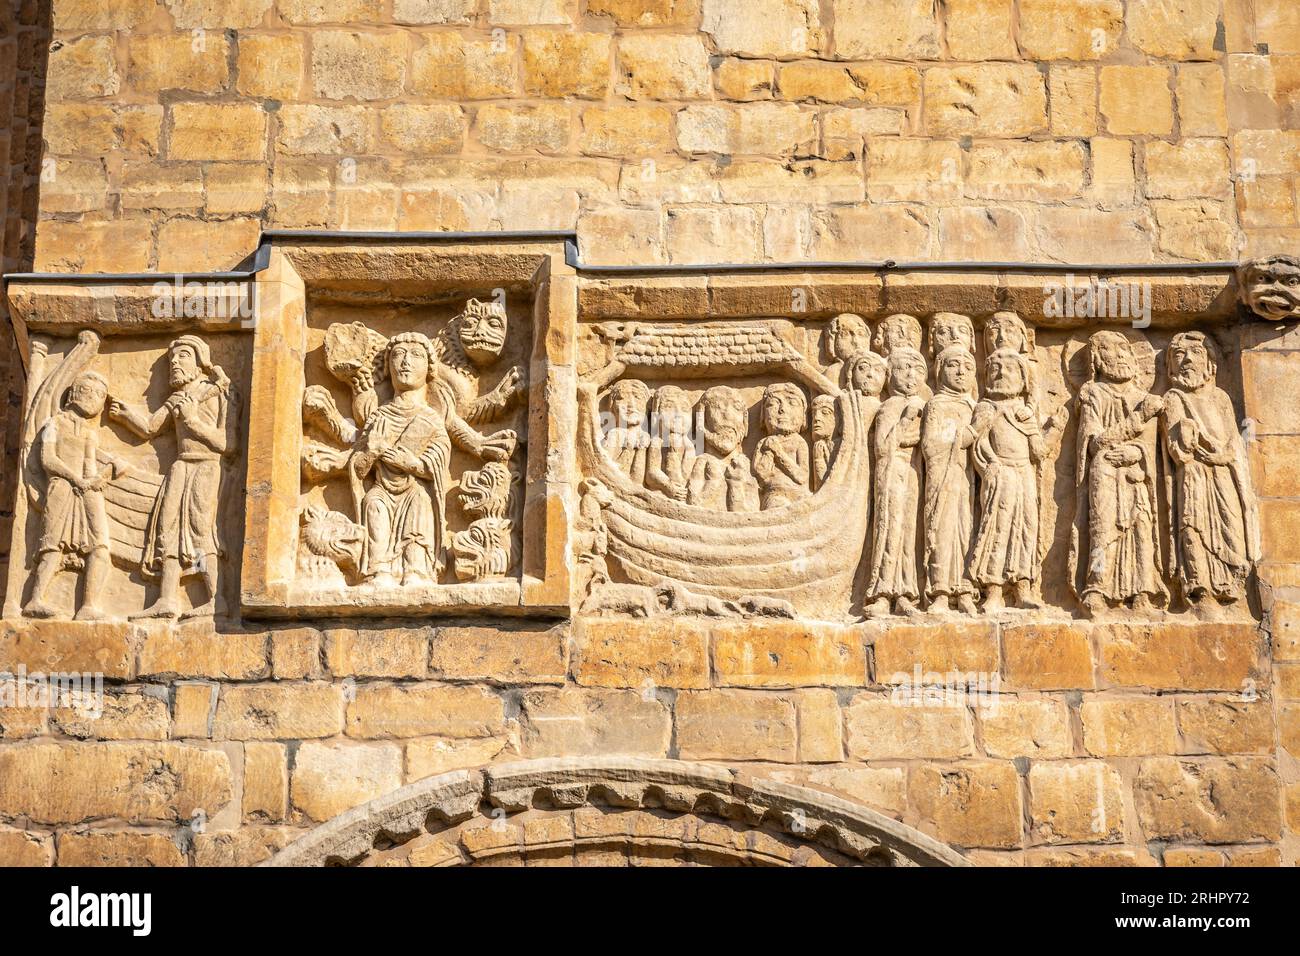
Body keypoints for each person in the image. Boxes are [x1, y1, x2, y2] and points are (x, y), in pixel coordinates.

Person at [350, 332, 515, 588]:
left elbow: (438, 459)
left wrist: (411, 463)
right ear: (388, 366)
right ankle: (378, 570)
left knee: (420, 501)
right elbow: (357, 469)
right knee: (373, 502)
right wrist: (371, 452)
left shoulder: (430, 417)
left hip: (415, 489)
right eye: (397, 355)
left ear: (429, 368)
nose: (405, 362)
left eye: (415, 355)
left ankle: (416, 568)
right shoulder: (379, 417)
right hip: (382, 489)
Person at [110, 336, 232, 619]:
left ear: (199, 362)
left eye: (183, 356)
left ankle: (217, 599)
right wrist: (126, 415)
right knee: (168, 529)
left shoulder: (219, 392)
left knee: (200, 531)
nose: (174, 363)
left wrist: (192, 421)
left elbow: (229, 444)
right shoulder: (178, 397)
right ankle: (167, 600)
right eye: (171, 359)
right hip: (180, 467)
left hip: (206, 466)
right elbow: (152, 427)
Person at [1162, 331, 1259, 610]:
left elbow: (1234, 440)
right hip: (1193, 474)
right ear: (1169, 365)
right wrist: (1187, 434)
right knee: (1193, 524)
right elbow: (1176, 448)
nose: (1188, 360)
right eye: (1179, 355)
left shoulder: (1220, 398)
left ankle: (1232, 581)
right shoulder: (1174, 397)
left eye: (1197, 353)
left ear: (1211, 363)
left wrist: (1224, 454)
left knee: (1230, 523)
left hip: (1223, 472)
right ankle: (1199, 585)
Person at [1072, 331, 1166, 615]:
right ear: (1099, 360)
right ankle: (1097, 586)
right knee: (1102, 528)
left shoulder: (1145, 398)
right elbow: (1095, 442)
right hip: (1104, 470)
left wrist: (1136, 453)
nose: (1123, 355)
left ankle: (1143, 591)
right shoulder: (1093, 393)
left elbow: (1149, 446)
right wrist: (1137, 419)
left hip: (1137, 472)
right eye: (1113, 351)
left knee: (1141, 527)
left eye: (1126, 349)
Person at [24, 371, 119, 621]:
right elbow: (48, 459)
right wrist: (75, 478)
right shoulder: (54, 423)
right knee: (52, 543)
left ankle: (89, 605)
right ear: (74, 393)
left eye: (100, 395)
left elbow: (88, 464)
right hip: (61, 488)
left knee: (100, 544)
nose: (93, 398)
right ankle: (35, 600)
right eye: (88, 391)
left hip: (85, 489)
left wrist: (96, 479)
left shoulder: (90, 433)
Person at [866, 348, 927, 617]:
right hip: (891, 471)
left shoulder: (926, 404)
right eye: (904, 369)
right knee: (889, 526)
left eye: (917, 371)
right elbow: (882, 446)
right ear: (890, 375)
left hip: (913, 474)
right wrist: (906, 420)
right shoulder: (889, 406)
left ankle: (905, 591)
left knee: (909, 532)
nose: (911, 376)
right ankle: (881, 591)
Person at [922, 347, 978, 614]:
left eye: (967, 367)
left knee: (967, 530)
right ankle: (941, 590)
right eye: (953, 365)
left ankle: (965, 589)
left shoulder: (972, 405)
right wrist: (967, 434)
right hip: (942, 477)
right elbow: (931, 447)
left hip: (968, 479)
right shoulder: (937, 404)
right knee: (942, 530)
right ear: (939, 370)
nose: (960, 372)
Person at [688, 385, 758, 512]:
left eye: (736, 408)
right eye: (717, 406)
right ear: (701, 420)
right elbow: (694, 501)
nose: (728, 416)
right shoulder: (702, 461)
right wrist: (713, 483)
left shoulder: (747, 465)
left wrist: (736, 483)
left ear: (745, 422)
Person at [754, 382, 811, 509]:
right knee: (777, 505)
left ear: (803, 415)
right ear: (763, 415)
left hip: (800, 494)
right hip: (774, 495)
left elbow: (802, 477)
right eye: (773, 404)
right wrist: (768, 453)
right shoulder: (763, 443)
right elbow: (762, 476)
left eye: (792, 403)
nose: (782, 409)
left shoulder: (799, 442)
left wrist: (778, 452)